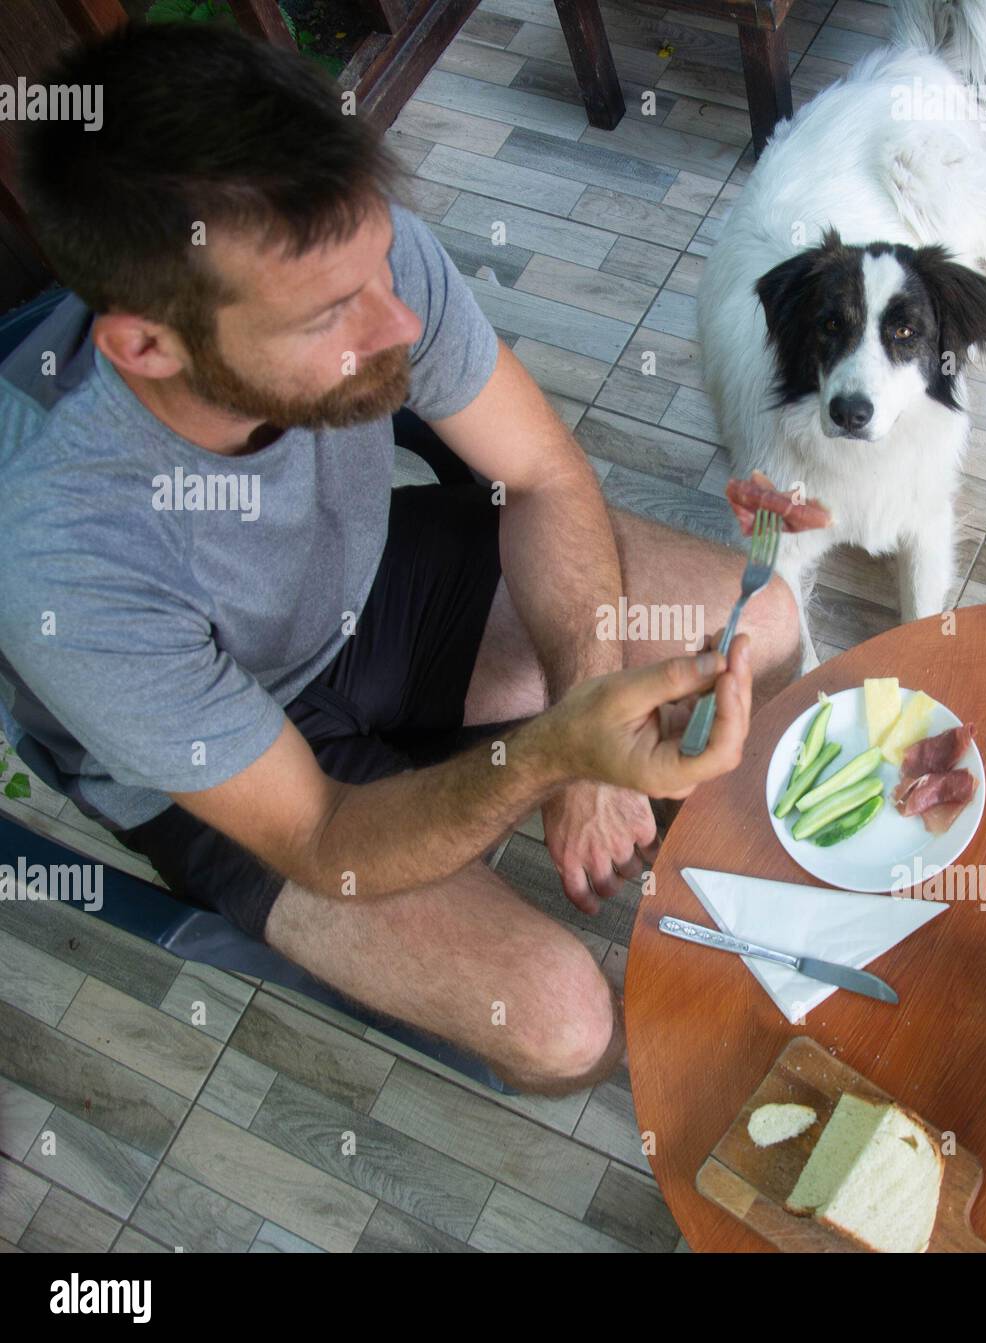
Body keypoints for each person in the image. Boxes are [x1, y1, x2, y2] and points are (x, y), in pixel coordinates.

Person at [0, 24, 801, 1095]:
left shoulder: (350, 256)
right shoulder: (63, 553)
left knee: (767, 620)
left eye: (381, 262)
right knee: (562, 1027)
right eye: (334, 314)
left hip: (368, 594)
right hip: (237, 776)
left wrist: (593, 693)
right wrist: (555, 757)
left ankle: (667, 817)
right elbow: (321, 830)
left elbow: (547, 477)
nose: (402, 322)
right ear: (148, 348)